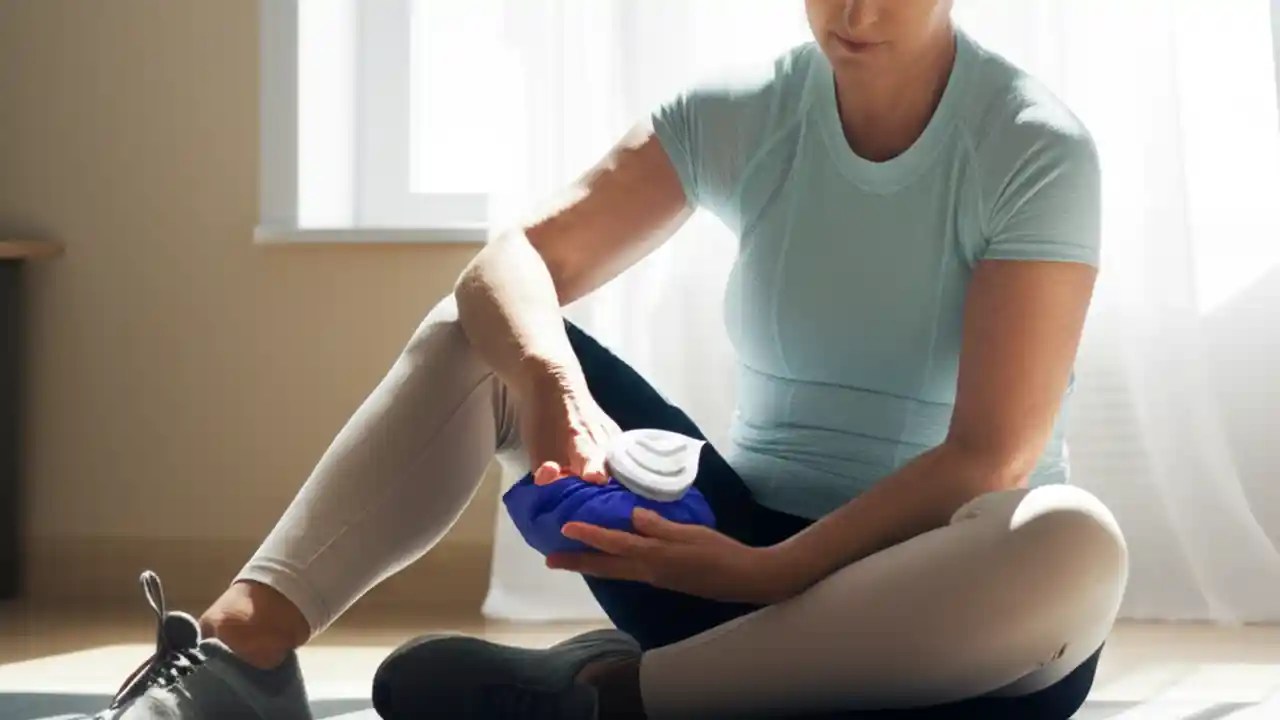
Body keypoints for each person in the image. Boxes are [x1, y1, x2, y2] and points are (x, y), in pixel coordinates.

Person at [87, 1, 1128, 718]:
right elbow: (512, 261)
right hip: (718, 575)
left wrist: (778, 573)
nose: (850, 10)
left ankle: (609, 700)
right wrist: (552, 388)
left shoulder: (1031, 144)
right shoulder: (748, 109)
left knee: (1071, 545)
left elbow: (990, 455)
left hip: (941, 613)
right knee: (484, 336)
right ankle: (239, 656)